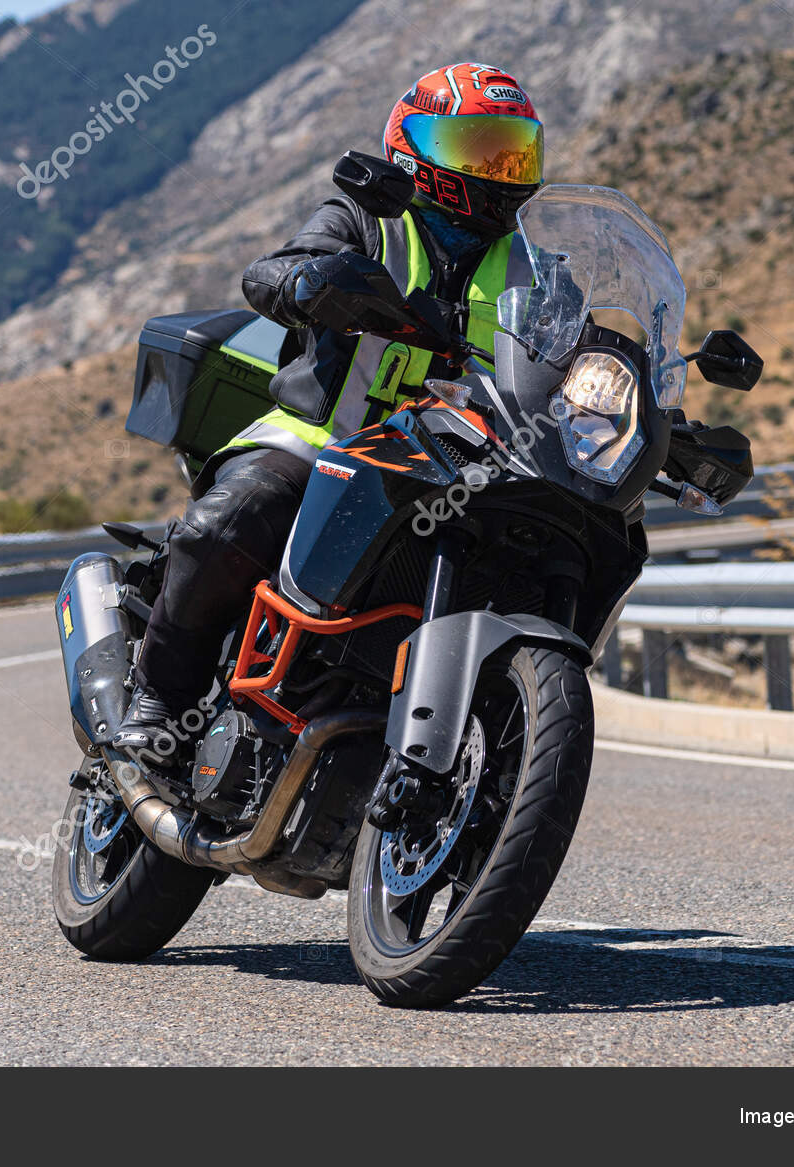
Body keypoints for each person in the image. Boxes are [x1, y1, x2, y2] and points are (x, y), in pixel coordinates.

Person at [115, 62, 545, 755]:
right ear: (415, 147)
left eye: (512, 149)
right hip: (322, 441)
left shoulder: (529, 267)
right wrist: (309, 281)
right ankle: (159, 694)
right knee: (229, 522)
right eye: (476, 148)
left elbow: (572, 346)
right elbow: (271, 270)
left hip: (452, 469)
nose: (497, 168)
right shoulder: (369, 219)